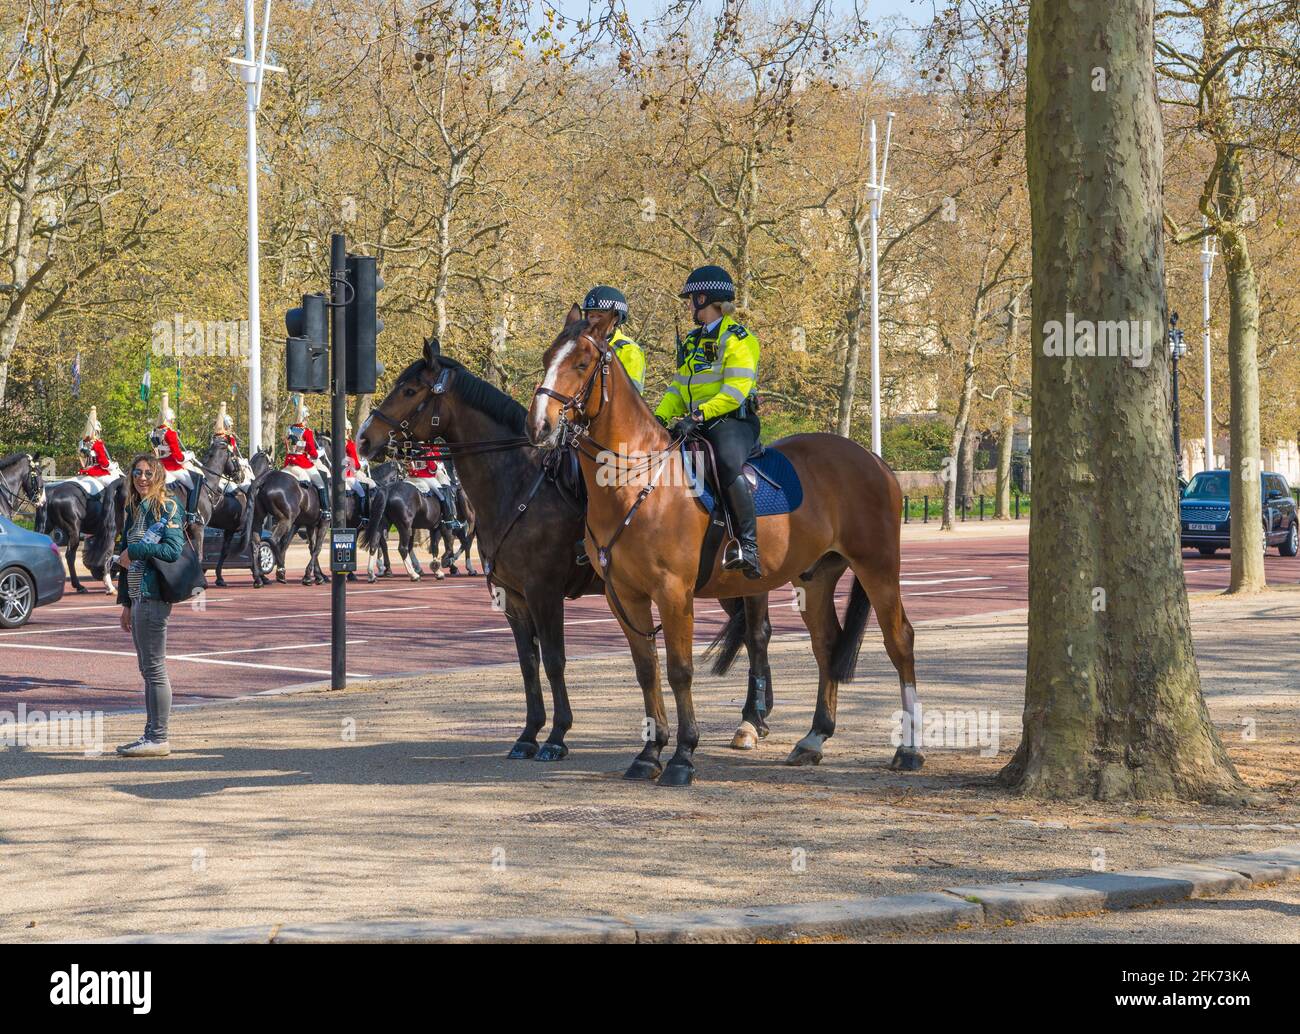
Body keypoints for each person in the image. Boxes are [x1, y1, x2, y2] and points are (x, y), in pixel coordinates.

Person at [653, 264, 762, 578]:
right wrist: (659, 416)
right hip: (696, 423)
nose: (689, 305)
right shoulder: (692, 341)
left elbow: (735, 390)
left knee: (726, 462)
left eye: (692, 299)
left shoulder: (739, 338)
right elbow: (678, 387)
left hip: (732, 422)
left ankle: (749, 546)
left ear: (706, 298)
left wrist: (698, 414)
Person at [113, 453, 184, 757]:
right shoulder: (134, 508)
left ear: (159, 476)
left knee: (154, 668)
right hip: (139, 598)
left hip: (155, 597)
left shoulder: (167, 506)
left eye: (148, 473)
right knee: (147, 668)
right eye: (137, 472)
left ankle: (158, 737)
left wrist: (136, 548)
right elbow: (126, 562)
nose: (142, 478)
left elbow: (172, 549)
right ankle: (151, 735)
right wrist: (126, 603)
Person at [583, 285, 646, 393]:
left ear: (616, 318)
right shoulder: (580, 346)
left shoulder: (629, 351)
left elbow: (629, 395)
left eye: (600, 316)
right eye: (591, 316)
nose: (594, 321)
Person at [147, 393, 201, 519]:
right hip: (172, 467)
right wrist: (189, 455)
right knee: (196, 480)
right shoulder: (170, 433)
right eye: (172, 420)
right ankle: (192, 514)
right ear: (169, 419)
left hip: (158, 465)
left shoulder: (153, 433)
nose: (173, 422)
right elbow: (178, 458)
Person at [283, 401, 331, 521]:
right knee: (320, 484)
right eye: (306, 418)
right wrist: (319, 452)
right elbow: (312, 453)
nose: (307, 420)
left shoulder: (288, 429)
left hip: (288, 462)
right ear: (304, 417)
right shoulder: (307, 432)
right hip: (302, 462)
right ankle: (325, 510)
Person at [343, 418, 375, 524]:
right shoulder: (349, 444)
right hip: (348, 476)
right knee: (362, 493)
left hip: (335, 476)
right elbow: (355, 465)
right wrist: (360, 465)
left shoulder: (335, 443)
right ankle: (364, 516)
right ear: (348, 430)